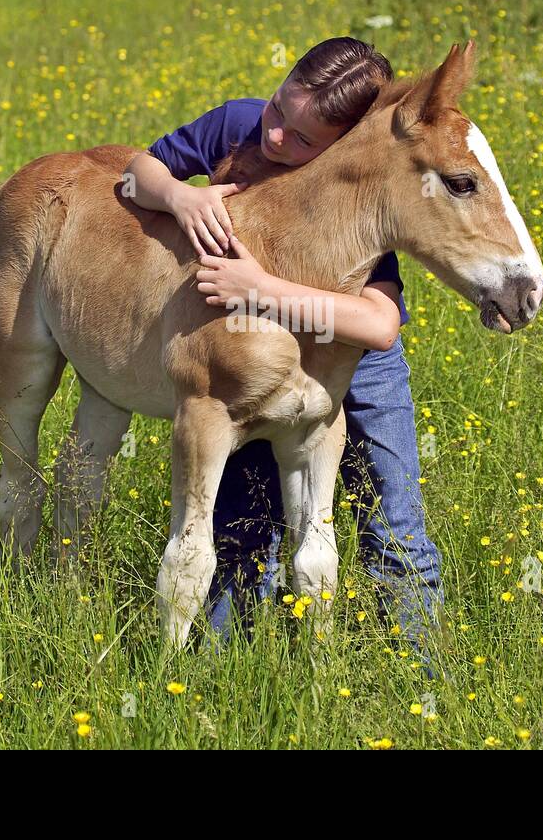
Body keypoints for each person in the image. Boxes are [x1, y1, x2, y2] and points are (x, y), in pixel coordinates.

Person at [124, 37, 441, 647]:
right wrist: (179, 195)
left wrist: (259, 288)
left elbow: (378, 325)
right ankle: (222, 672)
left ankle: (419, 673)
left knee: (393, 518)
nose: (275, 139)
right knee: (243, 524)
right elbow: (135, 171)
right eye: (278, 111)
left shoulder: (350, 192)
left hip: (351, 359)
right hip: (252, 359)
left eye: (301, 140)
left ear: (340, 148)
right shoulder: (240, 126)